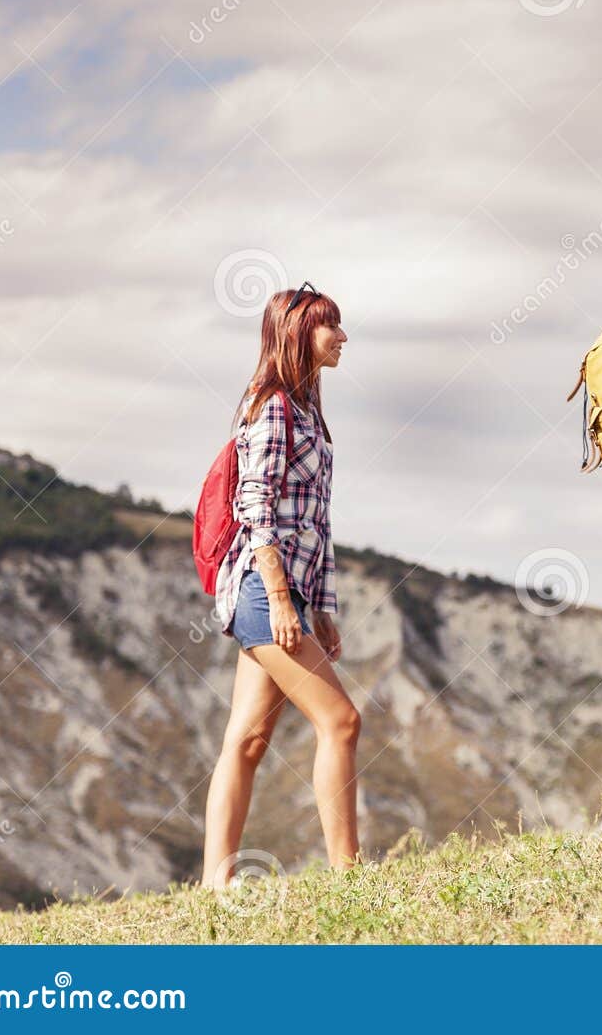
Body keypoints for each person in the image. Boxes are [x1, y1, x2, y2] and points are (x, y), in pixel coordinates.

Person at [202, 282, 361, 884]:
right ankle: (349, 873)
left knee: (246, 740)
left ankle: (215, 885)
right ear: (299, 333)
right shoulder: (271, 406)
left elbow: (315, 523)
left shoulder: (307, 416)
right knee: (341, 720)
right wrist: (277, 600)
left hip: (288, 595)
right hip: (260, 593)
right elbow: (257, 509)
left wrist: (319, 608)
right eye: (331, 327)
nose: (342, 338)